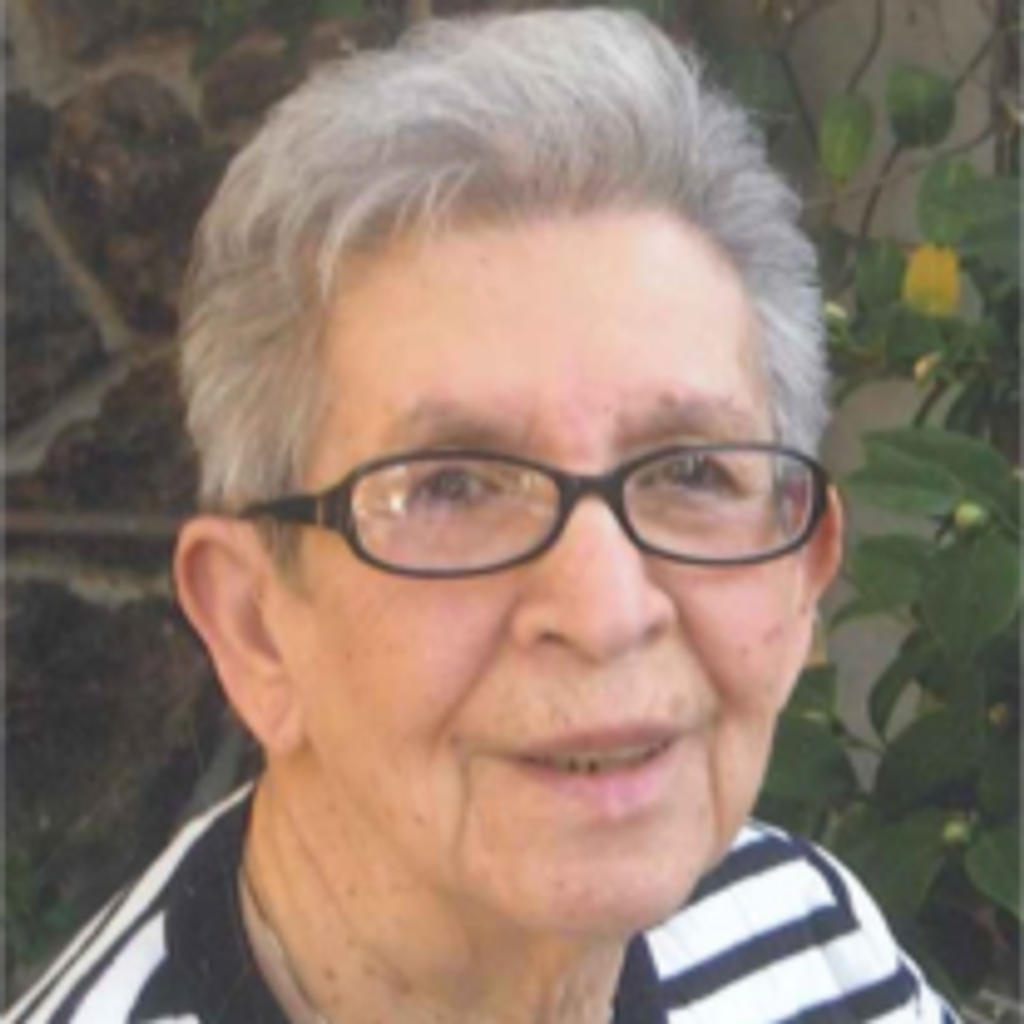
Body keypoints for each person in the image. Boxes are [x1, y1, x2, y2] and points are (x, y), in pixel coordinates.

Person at [8, 8, 959, 1024]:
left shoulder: (807, 943)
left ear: (800, 580)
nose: (605, 613)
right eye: (452, 487)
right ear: (255, 627)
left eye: (690, 471)